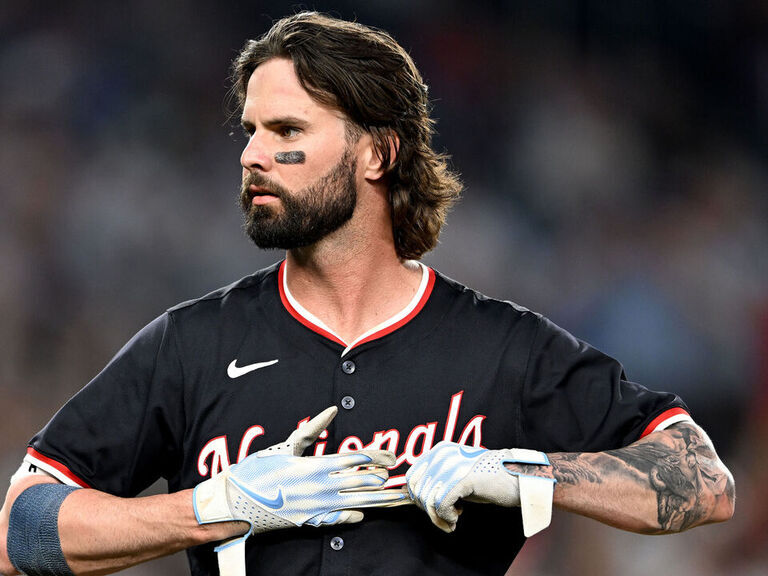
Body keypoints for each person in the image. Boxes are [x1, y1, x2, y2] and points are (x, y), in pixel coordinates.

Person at [0, 11, 734, 576]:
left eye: (287, 130)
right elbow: (19, 530)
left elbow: (703, 481)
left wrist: (524, 472)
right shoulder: (192, 345)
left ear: (377, 152)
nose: (253, 154)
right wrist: (209, 507)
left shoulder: (500, 348)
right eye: (250, 130)